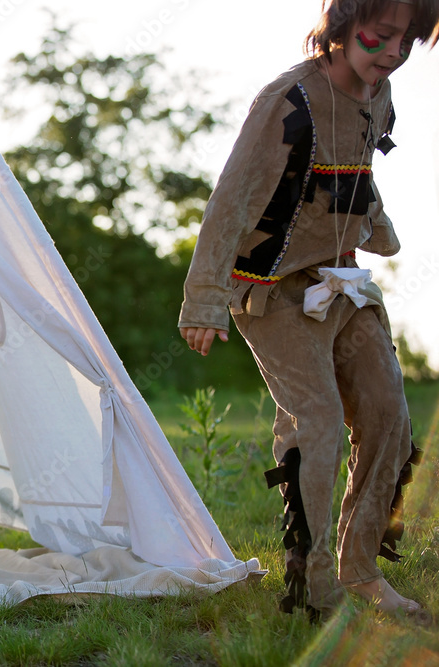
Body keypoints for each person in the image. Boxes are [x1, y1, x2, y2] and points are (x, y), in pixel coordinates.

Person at [179, 0, 438, 618]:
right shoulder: (287, 102)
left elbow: (360, 173)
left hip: (340, 282)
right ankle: (314, 581)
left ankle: (363, 571)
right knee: (317, 422)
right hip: (269, 289)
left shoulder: (381, 93)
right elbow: (231, 199)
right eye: (381, 37)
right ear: (345, 25)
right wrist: (204, 299)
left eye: (406, 42)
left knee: (388, 416)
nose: (393, 53)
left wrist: (376, 229)